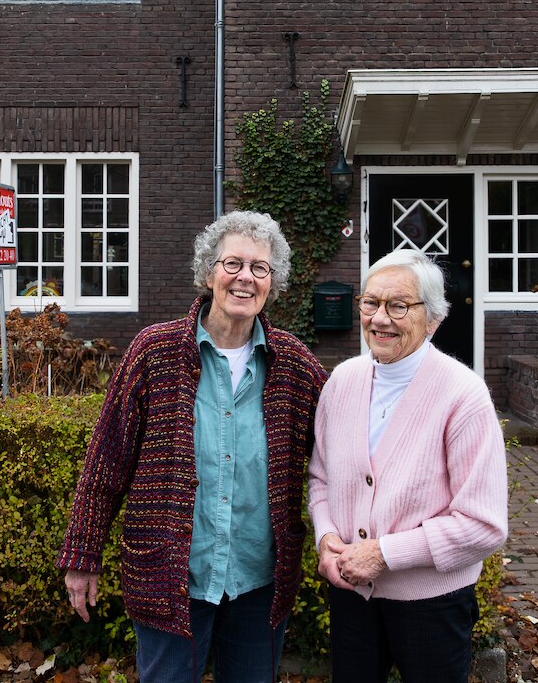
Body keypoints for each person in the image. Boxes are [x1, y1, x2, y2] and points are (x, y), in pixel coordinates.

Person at [57, 210, 327, 682]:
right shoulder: (153, 352)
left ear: (272, 282)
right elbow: (107, 461)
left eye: (260, 268)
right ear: (208, 273)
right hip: (169, 579)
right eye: (233, 264)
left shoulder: (296, 366)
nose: (245, 278)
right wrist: (82, 556)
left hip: (259, 583)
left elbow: (338, 453)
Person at [309, 248, 508, 683]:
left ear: (433, 318)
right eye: (370, 303)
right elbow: (321, 478)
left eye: (398, 306)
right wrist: (326, 539)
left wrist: (383, 554)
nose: (380, 318)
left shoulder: (463, 396)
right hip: (351, 595)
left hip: (431, 604)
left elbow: (484, 525)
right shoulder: (341, 381)